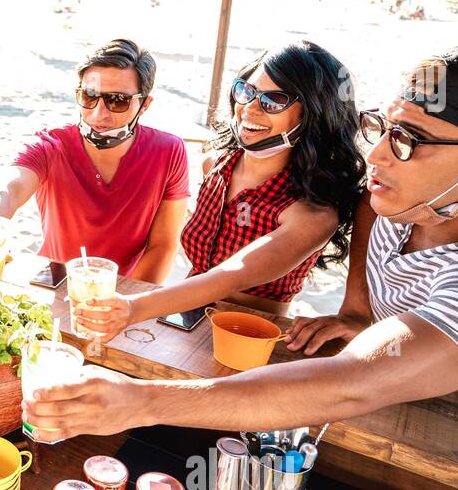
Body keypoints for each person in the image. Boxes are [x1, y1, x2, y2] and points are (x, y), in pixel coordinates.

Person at [25, 44, 458, 439]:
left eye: (411, 141)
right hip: (337, 380)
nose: (378, 157)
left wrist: (141, 402)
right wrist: (358, 309)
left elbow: (352, 385)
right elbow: (369, 200)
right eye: (385, 129)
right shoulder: (413, 182)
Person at [72, 41, 366, 340]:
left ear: (314, 113)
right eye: (246, 91)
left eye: (274, 100)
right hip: (182, 323)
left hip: (247, 339)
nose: (250, 107)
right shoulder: (214, 166)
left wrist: (133, 308)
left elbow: (232, 276)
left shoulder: (313, 212)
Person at [0, 39, 189, 284]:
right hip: (54, 289)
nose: (99, 114)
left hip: (129, 298)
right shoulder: (50, 145)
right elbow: (7, 190)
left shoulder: (169, 151)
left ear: (144, 105)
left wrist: (128, 303)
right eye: (89, 96)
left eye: (118, 100)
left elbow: (162, 246)